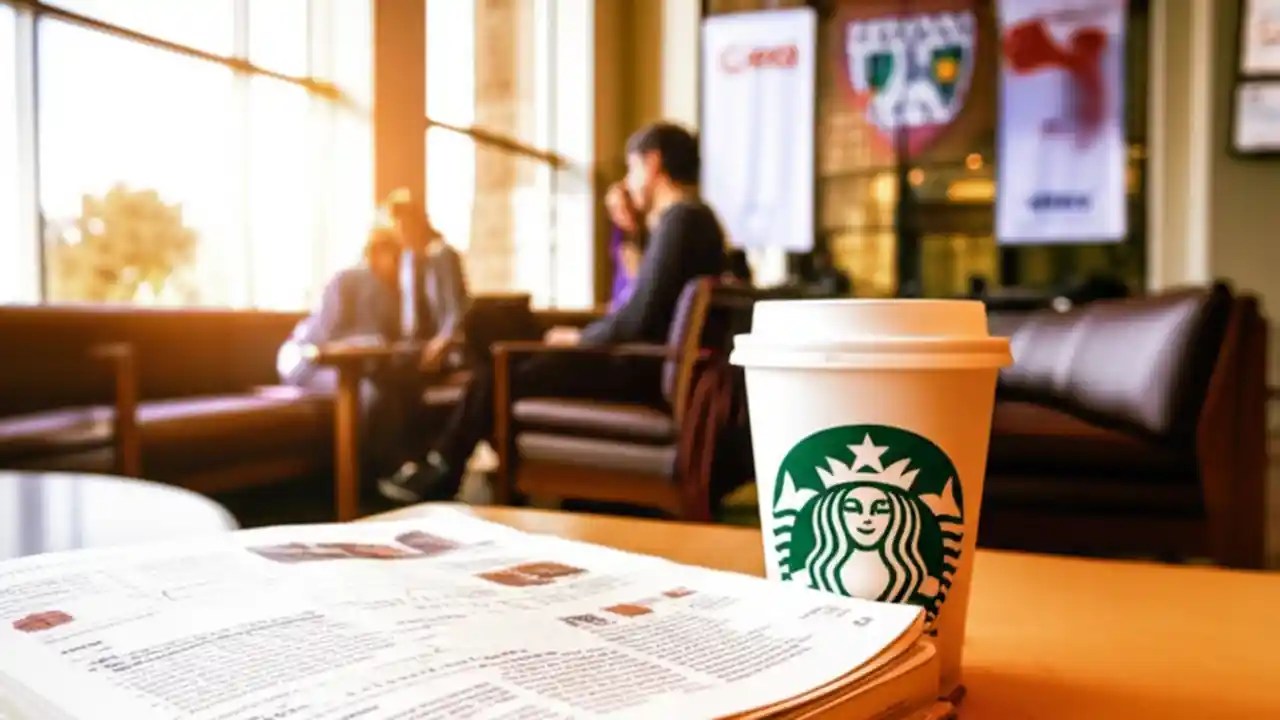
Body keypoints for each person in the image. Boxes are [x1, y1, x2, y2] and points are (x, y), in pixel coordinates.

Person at [379, 122, 727, 504]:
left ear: (653, 163)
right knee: (496, 332)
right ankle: (451, 463)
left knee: (502, 365)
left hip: (636, 365)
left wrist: (579, 339)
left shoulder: (681, 220)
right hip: (641, 360)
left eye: (632, 169)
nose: (629, 182)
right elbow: (646, 308)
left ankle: (445, 465)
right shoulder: (694, 222)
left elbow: (637, 319)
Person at [277, 228, 408, 477]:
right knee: (366, 394)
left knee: (390, 391)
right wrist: (367, 342)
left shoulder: (393, 292)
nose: (397, 264)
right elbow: (323, 340)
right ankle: (358, 480)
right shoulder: (346, 280)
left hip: (355, 368)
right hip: (306, 363)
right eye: (394, 255)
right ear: (375, 252)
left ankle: (390, 475)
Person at [382, 189, 470, 374]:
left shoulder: (443, 255)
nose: (400, 232)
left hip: (444, 347)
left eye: (404, 224)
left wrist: (443, 341)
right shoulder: (406, 260)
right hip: (412, 345)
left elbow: (456, 309)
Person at [605, 180, 645, 311]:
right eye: (614, 209)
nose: (622, 213)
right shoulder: (618, 236)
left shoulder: (648, 233)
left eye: (625, 205)